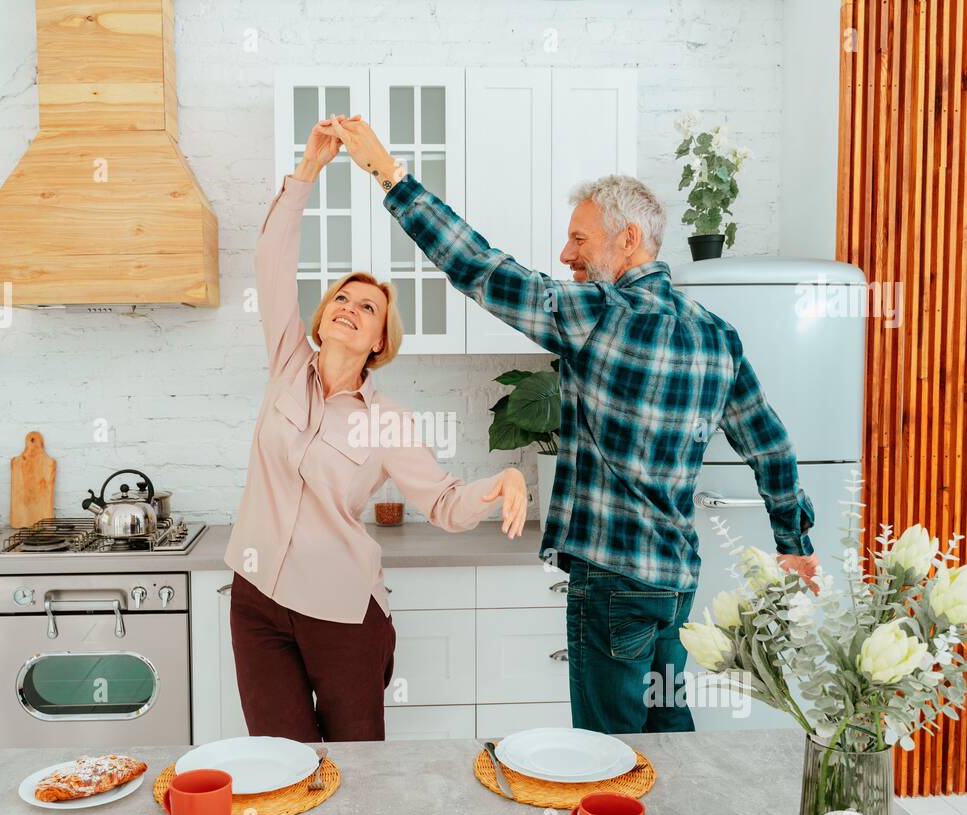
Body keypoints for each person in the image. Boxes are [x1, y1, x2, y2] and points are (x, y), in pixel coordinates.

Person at [329, 115, 819, 735]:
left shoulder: (596, 315)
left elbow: (479, 268)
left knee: (610, 755)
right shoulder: (718, 336)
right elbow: (771, 446)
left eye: (580, 240)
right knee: (670, 744)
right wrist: (794, 545)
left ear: (629, 239)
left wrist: (390, 174)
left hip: (612, 585)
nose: (566, 256)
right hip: (673, 587)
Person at [225, 118, 528, 743]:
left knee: (357, 775)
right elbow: (271, 262)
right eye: (342, 297)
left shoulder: (387, 421)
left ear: (379, 341)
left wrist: (500, 480)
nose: (350, 308)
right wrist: (306, 172)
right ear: (322, 313)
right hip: (256, 601)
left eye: (368, 308)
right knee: (284, 764)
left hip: (342, 614)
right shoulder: (287, 368)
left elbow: (443, 502)